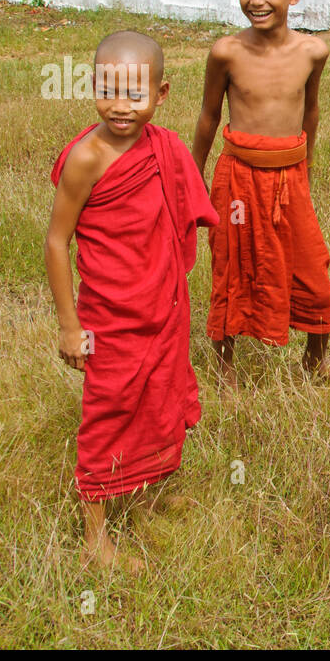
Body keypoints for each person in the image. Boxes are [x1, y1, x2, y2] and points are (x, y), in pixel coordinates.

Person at [46, 31, 217, 572]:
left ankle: (147, 490)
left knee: (161, 400)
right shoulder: (86, 158)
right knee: (110, 410)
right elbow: (56, 241)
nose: (121, 105)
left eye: (135, 93)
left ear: (161, 93)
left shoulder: (165, 148)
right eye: (108, 90)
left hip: (163, 308)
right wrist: (69, 325)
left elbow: (183, 215)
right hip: (111, 315)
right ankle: (95, 536)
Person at [192, 0, 330, 391]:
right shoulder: (226, 52)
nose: (256, 0)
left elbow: (312, 111)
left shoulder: (313, 51)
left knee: (313, 270)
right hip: (238, 178)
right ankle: (225, 370)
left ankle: (315, 362)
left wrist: (307, 169)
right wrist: (192, 177)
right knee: (232, 267)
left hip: (290, 178)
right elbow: (209, 117)